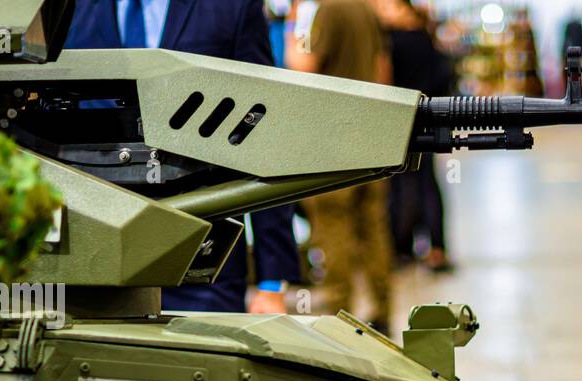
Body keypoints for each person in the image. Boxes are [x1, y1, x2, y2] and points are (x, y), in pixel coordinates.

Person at [66, 0, 300, 315]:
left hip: (203, 262)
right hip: (97, 264)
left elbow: (263, 129)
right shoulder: (69, 10)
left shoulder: (233, 7)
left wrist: (272, 283)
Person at [285, 0, 395, 330]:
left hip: (332, 140)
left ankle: (340, 316)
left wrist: (292, 29)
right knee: (372, 227)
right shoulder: (365, 10)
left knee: (333, 227)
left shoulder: (327, 10)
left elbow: (303, 64)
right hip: (369, 134)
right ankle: (383, 310)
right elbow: (382, 69)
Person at [379, 0, 452, 271]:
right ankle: (436, 247)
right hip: (428, 120)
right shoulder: (427, 39)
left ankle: (402, 247)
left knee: (402, 186)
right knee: (427, 184)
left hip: (400, 123)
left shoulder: (394, 42)